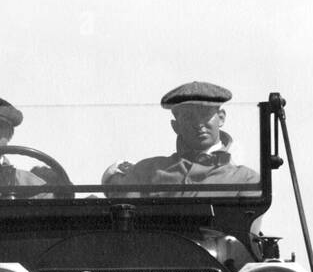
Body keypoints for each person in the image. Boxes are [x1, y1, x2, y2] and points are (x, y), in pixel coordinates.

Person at [104, 81, 260, 191]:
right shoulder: (149, 170)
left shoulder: (245, 179)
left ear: (221, 118)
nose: (198, 123)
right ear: (175, 126)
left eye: (205, 114)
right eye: (188, 117)